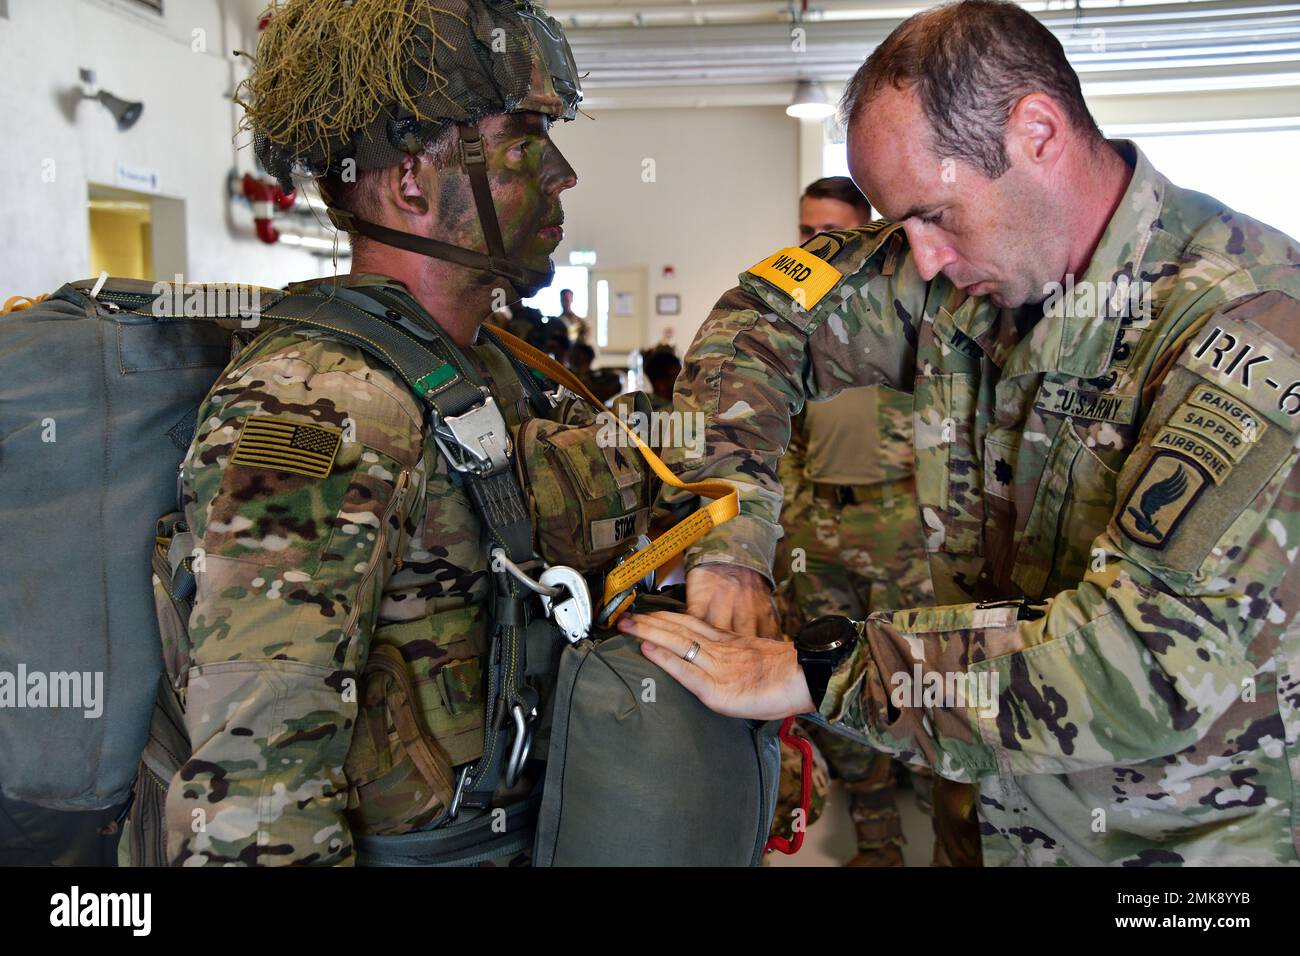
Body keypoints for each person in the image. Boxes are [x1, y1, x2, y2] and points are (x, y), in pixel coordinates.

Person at [639, 0, 1300, 866]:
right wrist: (727, 533)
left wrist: (817, 671)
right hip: (984, 826)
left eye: (933, 216)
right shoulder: (966, 267)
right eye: (897, 222)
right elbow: (763, 315)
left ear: (1036, 133)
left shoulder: (1247, 325)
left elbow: (1144, 664)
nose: (918, 259)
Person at [139, 0, 644, 866]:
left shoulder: (483, 367)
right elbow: (254, 796)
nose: (562, 175)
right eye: (526, 142)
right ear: (413, 179)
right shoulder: (322, 404)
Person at [773, 177, 975, 867]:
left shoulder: (909, 310)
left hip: (900, 529)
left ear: (862, 237)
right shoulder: (789, 318)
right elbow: (784, 435)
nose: (814, 245)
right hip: (817, 530)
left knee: (917, 685)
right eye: (806, 231)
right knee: (831, 684)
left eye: (830, 233)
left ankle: (950, 836)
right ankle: (879, 845)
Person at [642, 345, 682, 413]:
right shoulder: (669, 412)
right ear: (661, 385)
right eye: (678, 377)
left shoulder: (642, 405)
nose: (683, 382)